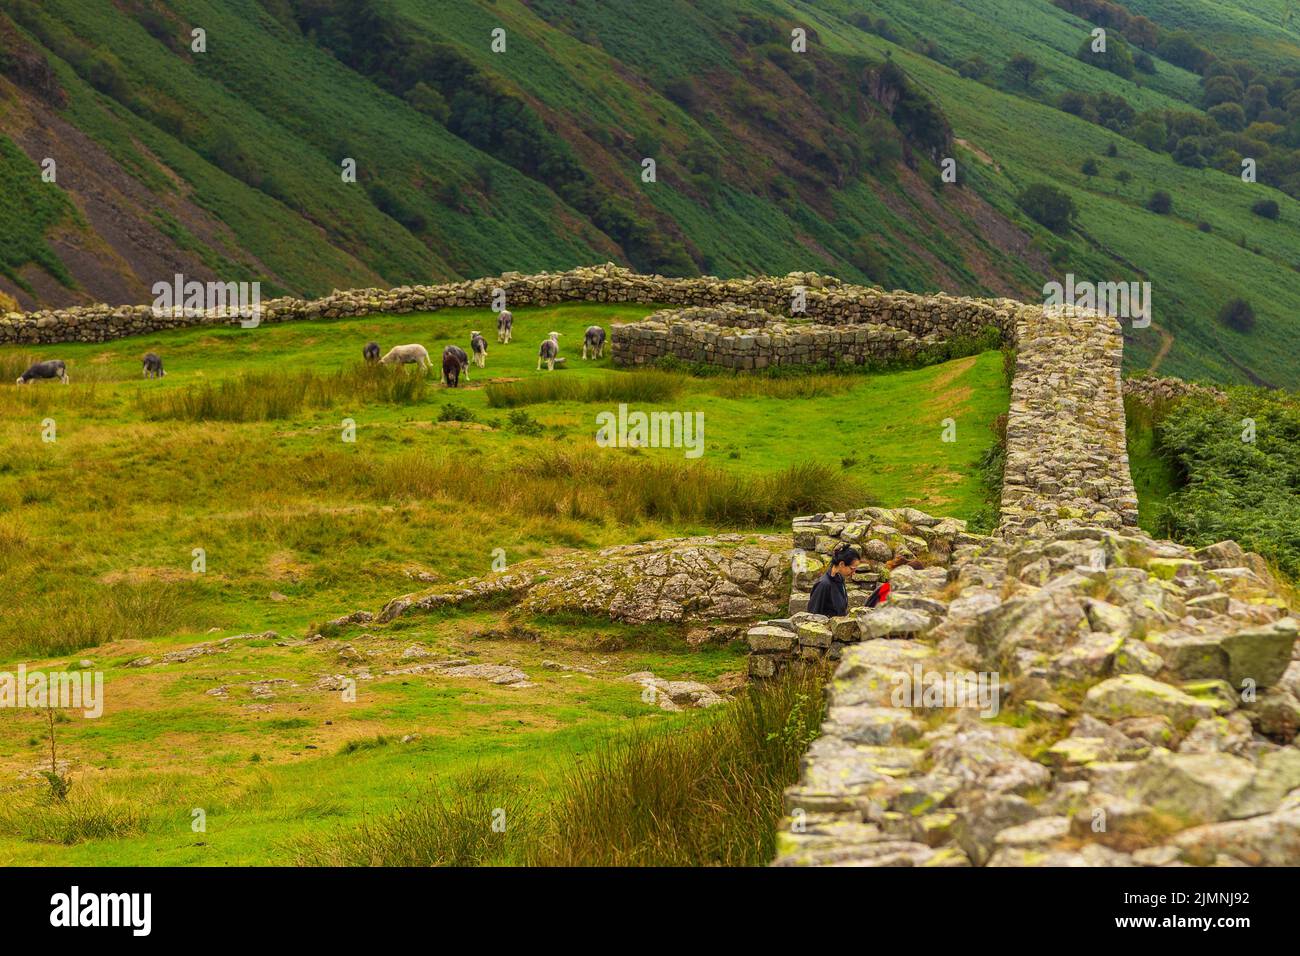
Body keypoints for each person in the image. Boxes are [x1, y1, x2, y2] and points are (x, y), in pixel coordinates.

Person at [806, 544, 860, 617]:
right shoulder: (823, 584)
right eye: (852, 569)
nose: (854, 573)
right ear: (841, 564)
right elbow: (812, 614)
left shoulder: (840, 578)